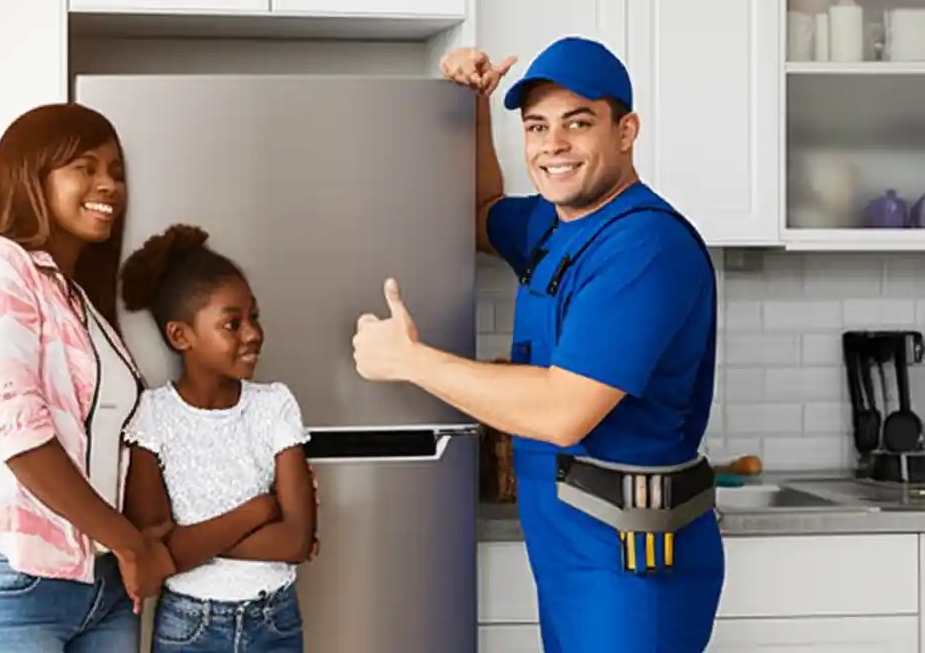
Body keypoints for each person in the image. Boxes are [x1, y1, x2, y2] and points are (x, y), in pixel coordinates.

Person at [350, 36, 724, 652]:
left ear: (626, 131)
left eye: (577, 124)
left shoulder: (644, 247)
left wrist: (411, 361)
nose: (552, 146)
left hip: (633, 564)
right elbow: (476, 208)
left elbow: (561, 410)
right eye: (536, 127)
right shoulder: (558, 224)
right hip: (573, 553)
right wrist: (471, 103)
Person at [0, 102, 176, 652]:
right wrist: (131, 545)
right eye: (84, 167)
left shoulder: (76, 296)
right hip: (14, 587)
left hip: (103, 586)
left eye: (115, 171)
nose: (108, 184)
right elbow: (21, 436)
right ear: (32, 176)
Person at [118, 223, 316, 653]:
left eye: (254, 317)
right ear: (180, 335)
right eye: (232, 323)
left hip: (274, 621)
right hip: (189, 627)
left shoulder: (275, 406)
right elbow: (154, 546)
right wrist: (259, 510)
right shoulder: (153, 416)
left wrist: (189, 543)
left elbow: (296, 540)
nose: (253, 333)